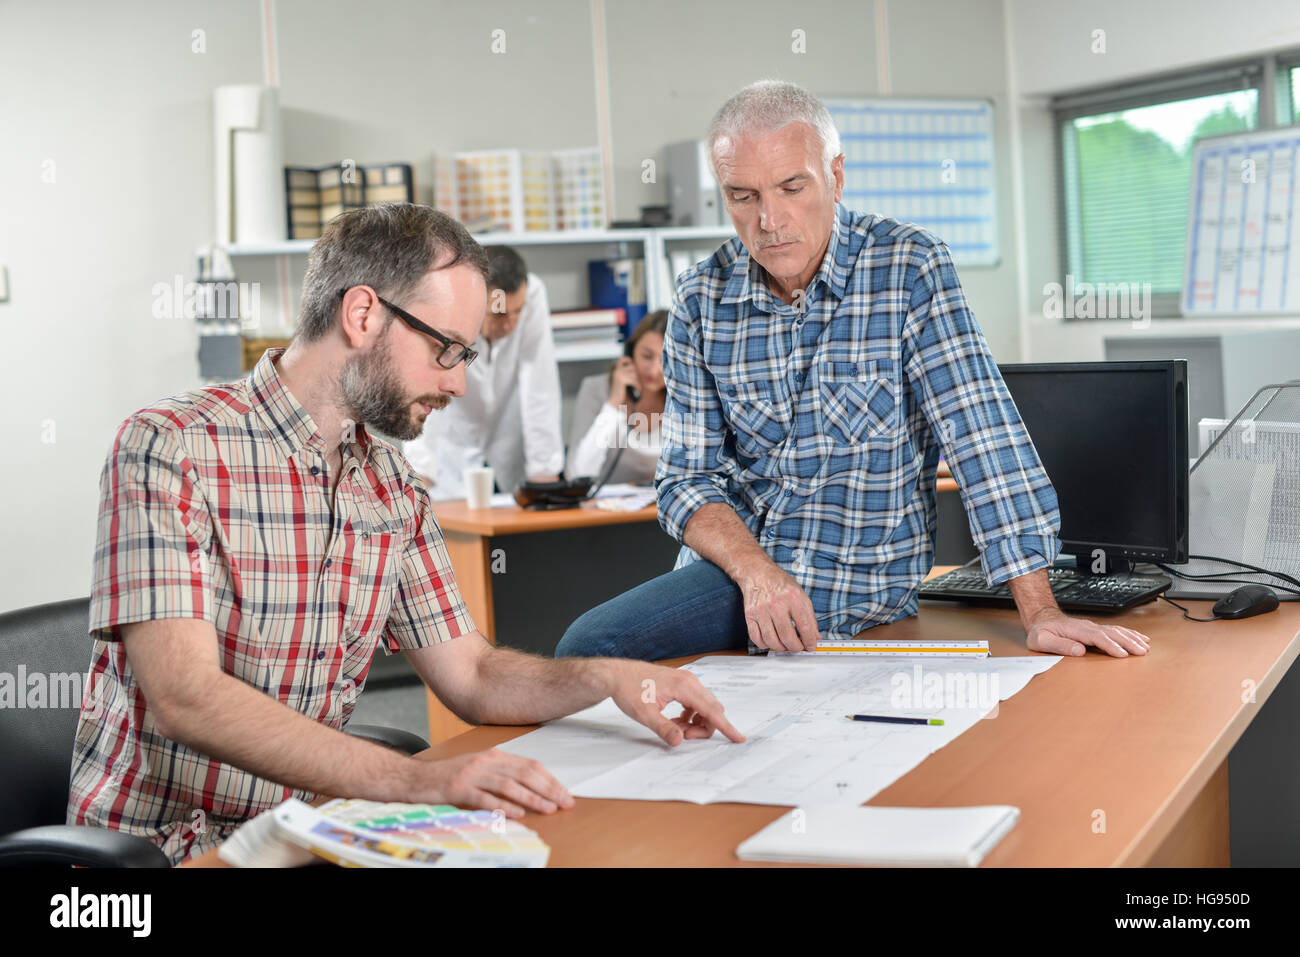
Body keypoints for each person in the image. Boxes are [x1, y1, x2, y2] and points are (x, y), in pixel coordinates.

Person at [68, 204, 743, 864]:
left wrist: (611, 676)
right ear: (362, 315)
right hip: (164, 854)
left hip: (311, 836)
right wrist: (417, 780)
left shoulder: (391, 486)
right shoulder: (171, 446)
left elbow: (474, 674)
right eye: (446, 349)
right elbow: (188, 696)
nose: (458, 383)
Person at [556, 80, 1151, 662]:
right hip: (735, 583)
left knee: (588, 647)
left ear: (836, 176)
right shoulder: (699, 298)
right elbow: (686, 481)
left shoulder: (908, 268)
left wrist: (1041, 612)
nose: (769, 219)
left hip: (852, 591)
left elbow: (983, 442)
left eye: (792, 187)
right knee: (588, 654)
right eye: (743, 196)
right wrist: (759, 575)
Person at [402, 245, 564, 499]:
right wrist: (420, 476)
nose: (510, 325)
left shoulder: (533, 293)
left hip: (508, 455)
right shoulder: (447, 298)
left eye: (517, 312)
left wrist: (545, 474)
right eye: (498, 315)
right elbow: (432, 387)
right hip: (449, 461)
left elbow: (540, 386)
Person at [566, 310, 668, 485]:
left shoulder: (686, 399)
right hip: (605, 510)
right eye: (646, 356)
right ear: (630, 351)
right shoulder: (595, 390)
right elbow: (577, 473)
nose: (654, 370)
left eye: (666, 359)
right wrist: (613, 404)